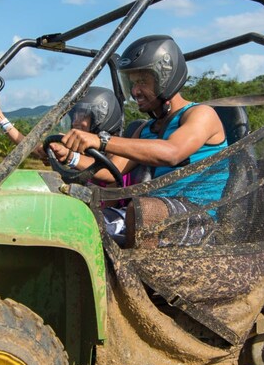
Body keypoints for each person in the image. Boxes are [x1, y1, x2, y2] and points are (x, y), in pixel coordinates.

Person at [60, 35, 227, 245]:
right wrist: (69, 156)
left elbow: (172, 152)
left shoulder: (201, 114)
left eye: (142, 82)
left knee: (144, 211)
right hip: (157, 214)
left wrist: (101, 140)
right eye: (131, 83)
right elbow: (111, 171)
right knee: (80, 221)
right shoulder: (145, 129)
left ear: (166, 77)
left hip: (199, 218)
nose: (135, 91)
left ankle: (132, 267)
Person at [0, 87, 126, 185]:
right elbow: (30, 146)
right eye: (74, 115)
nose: (75, 121)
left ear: (102, 117)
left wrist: (70, 156)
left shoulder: (120, 148)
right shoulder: (73, 145)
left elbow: (109, 173)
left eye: (82, 115)